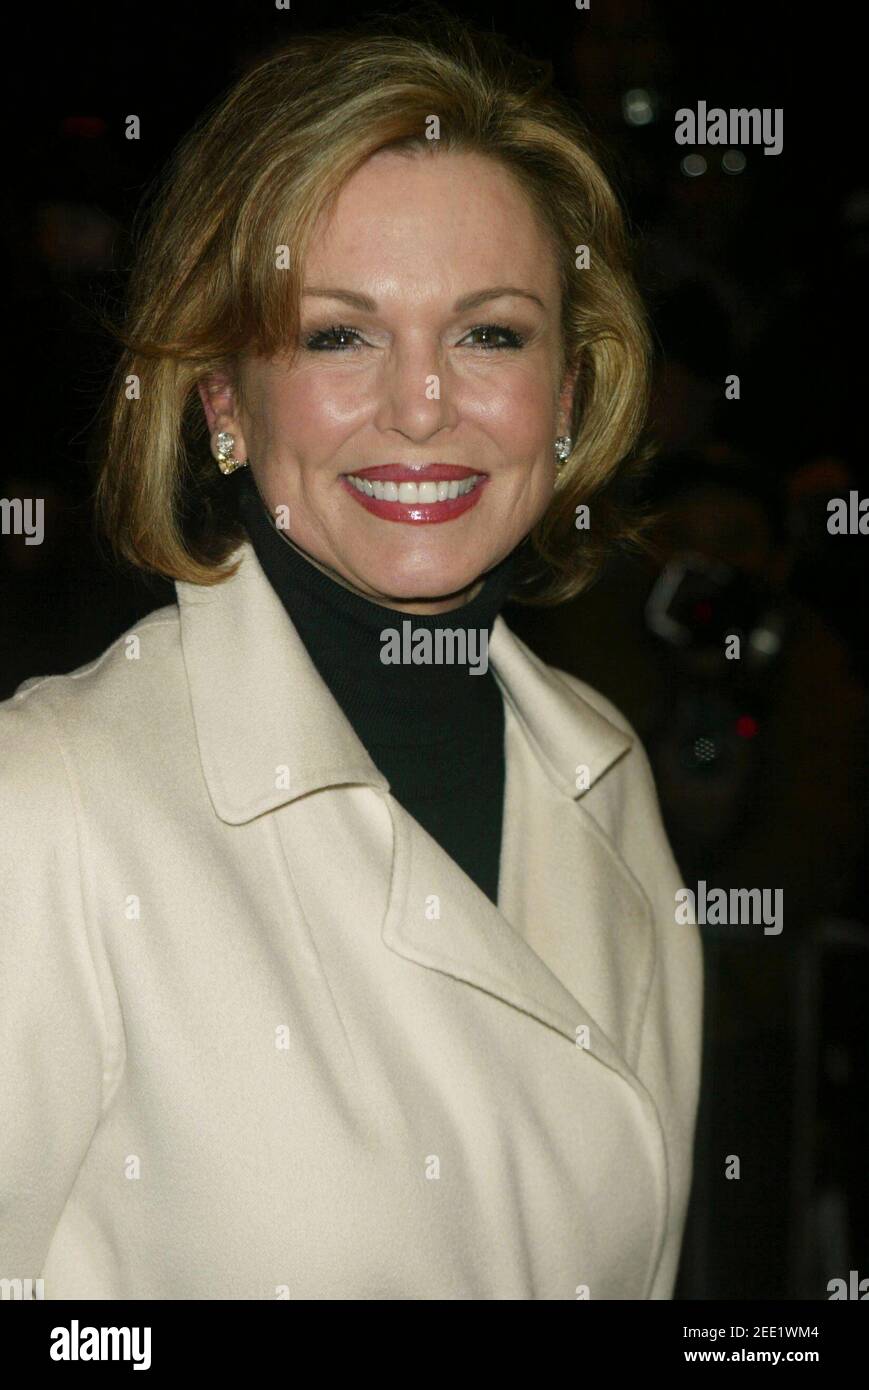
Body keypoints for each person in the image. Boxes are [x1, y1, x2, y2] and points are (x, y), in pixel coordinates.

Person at [0, 8, 702, 1300]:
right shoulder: (50, 801)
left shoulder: (605, 776)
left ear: (565, 394)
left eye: (489, 332)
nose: (420, 404)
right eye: (338, 334)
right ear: (222, 398)